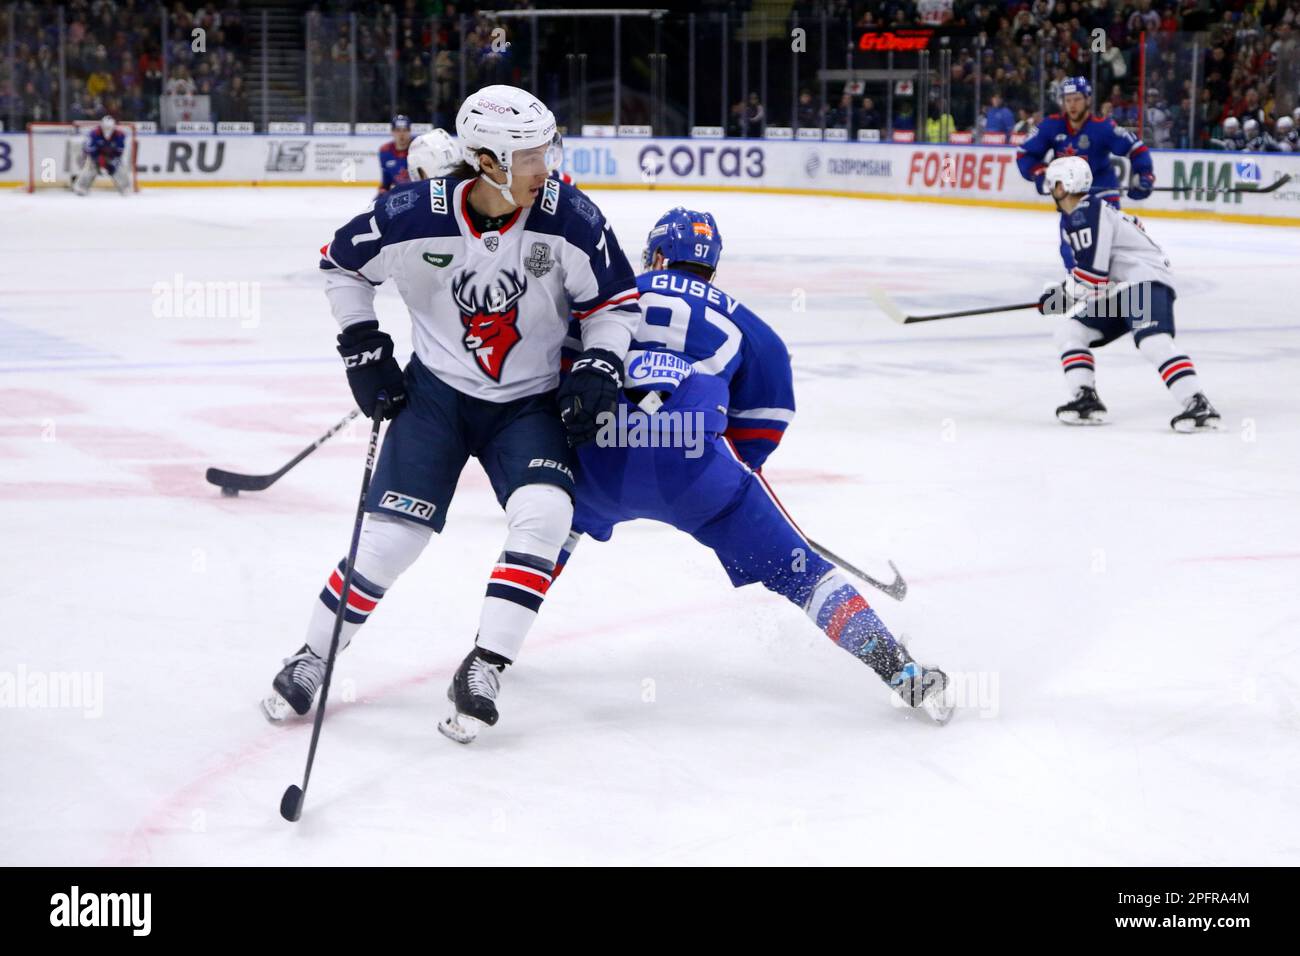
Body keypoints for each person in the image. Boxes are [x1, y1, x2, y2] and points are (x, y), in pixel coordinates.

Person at [439, 208, 956, 741]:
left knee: (549, 535)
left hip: (596, 464)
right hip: (696, 476)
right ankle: (904, 674)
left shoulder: (606, 294)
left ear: (658, 255)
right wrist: (723, 467)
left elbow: (544, 371)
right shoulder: (749, 326)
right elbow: (764, 423)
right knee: (803, 574)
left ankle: (486, 662)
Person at [263, 85, 642, 727]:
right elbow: (341, 265)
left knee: (547, 515)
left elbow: (613, 303)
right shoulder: (412, 214)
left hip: (528, 405)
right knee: (390, 542)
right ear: (488, 161)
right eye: (530, 156)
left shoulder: (571, 218)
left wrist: (601, 361)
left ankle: (486, 664)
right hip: (436, 398)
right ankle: (313, 656)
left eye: (546, 152)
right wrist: (361, 345)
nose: (545, 168)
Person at [1035, 157, 1221, 432]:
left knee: (1153, 341)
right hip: (1125, 290)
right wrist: (1063, 295)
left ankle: (1198, 403)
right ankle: (1086, 398)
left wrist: (1061, 296)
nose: (1051, 190)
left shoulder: (1087, 212)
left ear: (1063, 186)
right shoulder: (1081, 216)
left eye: (1054, 184)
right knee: (1070, 331)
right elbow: (1093, 276)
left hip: (1145, 281)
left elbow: (1092, 276)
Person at [1017, 76, 1155, 207]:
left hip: (1102, 195)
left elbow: (1136, 148)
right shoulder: (1051, 125)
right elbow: (1024, 153)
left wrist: (1144, 174)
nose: (1072, 105)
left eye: (1077, 99)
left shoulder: (1102, 127)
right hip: (1069, 198)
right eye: (1068, 100)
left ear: (1088, 100)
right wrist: (1040, 173)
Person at [73, 115, 131, 196]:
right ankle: (81, 187)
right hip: (96, 158)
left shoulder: (120, 135)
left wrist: (111, 161)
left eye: (110, 128)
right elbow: (89, 149)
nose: (108, 130)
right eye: (106, 127)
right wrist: (99, 160)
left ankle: (125, 188)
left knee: (120, 168)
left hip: (112, 158)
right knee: (89, 168)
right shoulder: (93, 134)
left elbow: (119, 152)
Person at [377, 114, 413, 194]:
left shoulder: (418, 148)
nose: (401, 134)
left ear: (410, 131)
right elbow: (386, 180)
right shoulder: (385, 151)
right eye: (398, 130)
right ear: (392, 132)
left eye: (405, 130)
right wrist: (383, 189)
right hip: (399, 193)